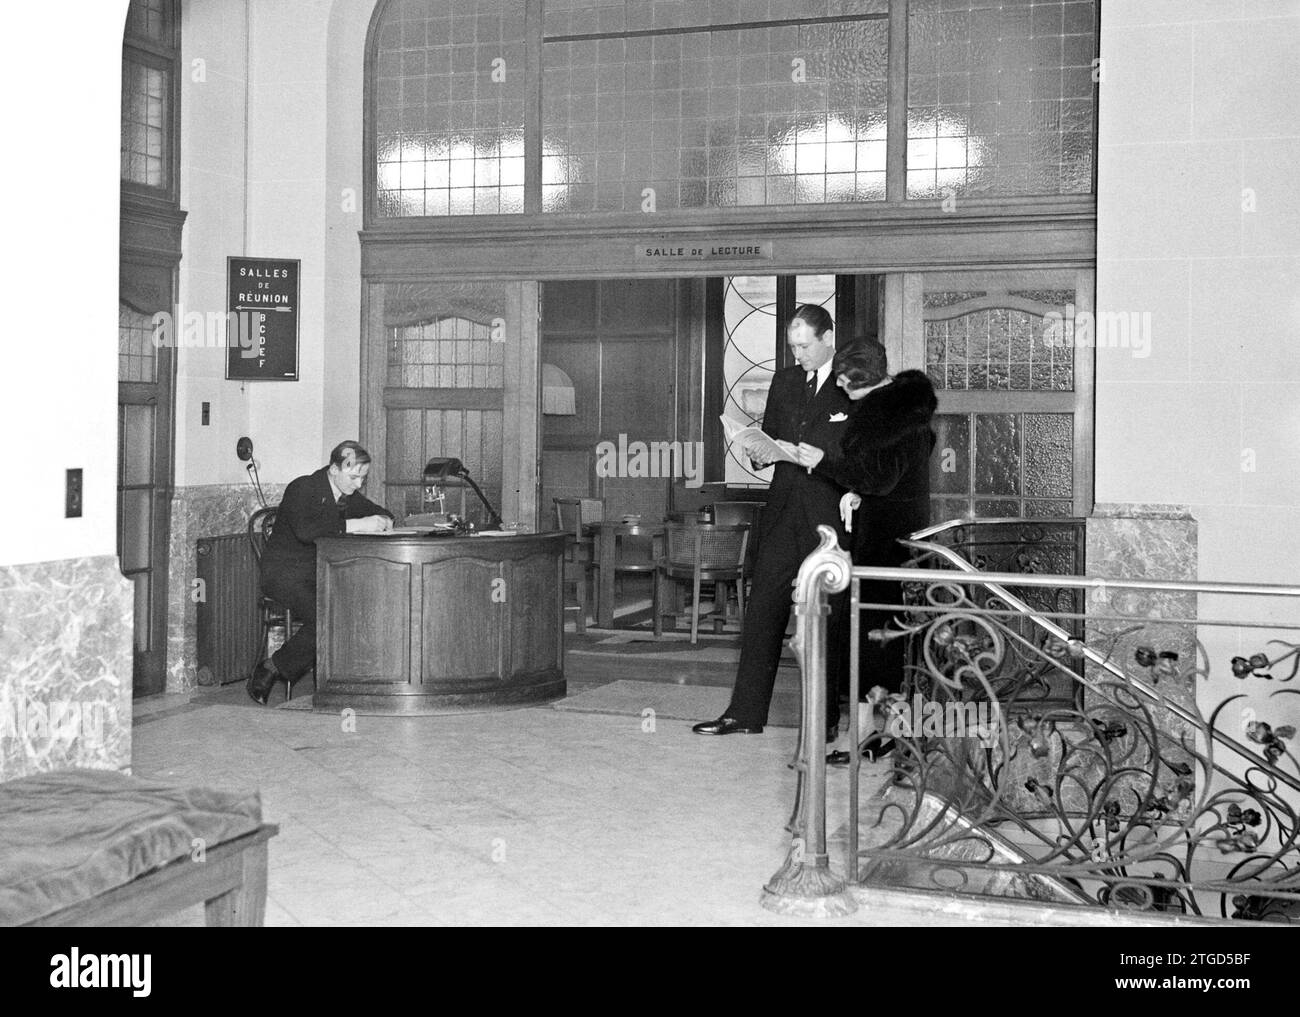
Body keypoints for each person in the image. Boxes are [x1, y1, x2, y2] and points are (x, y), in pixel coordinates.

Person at [693, 305, 854, 739]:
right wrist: (757, 451)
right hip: (783, 512)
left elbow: (860, 457)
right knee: (762, 609)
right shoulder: (784, 381)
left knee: (828, 619)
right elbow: (772, 441)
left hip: (828, 517)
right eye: (793, 346)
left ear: (828, 338)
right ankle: (744, 714)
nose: (797, 354)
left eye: (804, 346)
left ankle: (824, 725)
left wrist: (824, 461)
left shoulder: (851, 381)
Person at [818, 341, 938, 759]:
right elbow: (897, 476)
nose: (840, 385)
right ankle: (886, 735)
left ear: (863, 380)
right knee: (890, 638)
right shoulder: (911, 409)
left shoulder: (878, 413)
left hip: (882, 541)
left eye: (845, 380)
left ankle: (864, 735)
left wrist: (822, 462)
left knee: (870, 637)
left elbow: (876, 478)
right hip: (907, 536)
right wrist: (858, 496)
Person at [247, 440, 394, 704]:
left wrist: (384, 520)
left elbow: (380, 512)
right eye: (354, 477)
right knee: (327, 617)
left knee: (356, 607)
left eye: (363, 478)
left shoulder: (347, 494)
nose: (359, 484)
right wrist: (357, 524)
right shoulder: (303, 488)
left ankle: (338, 681)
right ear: (334, 468)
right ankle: (271, 668)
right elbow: (306, 530)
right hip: (285, 574)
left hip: (319, 574)